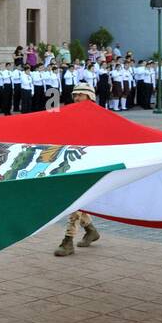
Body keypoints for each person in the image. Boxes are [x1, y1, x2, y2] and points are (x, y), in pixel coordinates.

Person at [54, 83, 103, 256]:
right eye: (75, 95)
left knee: (75, 203)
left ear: (89, 97)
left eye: (80, 95)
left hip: (90, 164)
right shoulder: (71, 114)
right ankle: (91, 230)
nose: (76, 98)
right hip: (72, 162)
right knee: (76, 202)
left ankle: (68, 241)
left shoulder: (100, 117)